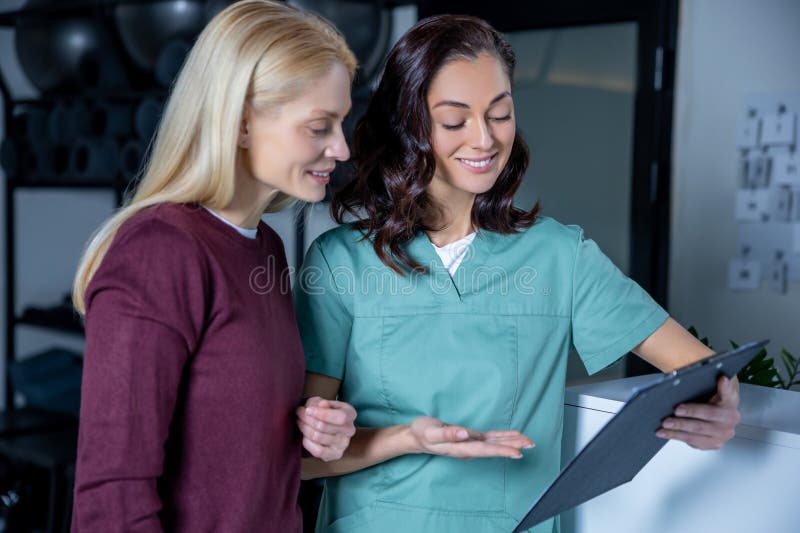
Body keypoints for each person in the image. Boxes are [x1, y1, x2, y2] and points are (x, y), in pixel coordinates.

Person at [293, 14, 741, 533]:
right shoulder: (340, 261)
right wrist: (403, 438)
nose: (484, 140)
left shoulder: (559, 256)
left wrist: (721, 407)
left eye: (500, 114)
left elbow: (702, 371)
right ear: (408, 125)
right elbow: (303, 458)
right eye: (455, 120)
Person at [70, 2, 358, 531]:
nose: (340, 147)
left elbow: (229, 454)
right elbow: (110, 503)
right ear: (243, 123)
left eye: (339, 123)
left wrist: (313, 430)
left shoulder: (264, 247)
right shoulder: (159, 253)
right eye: (320, 126)